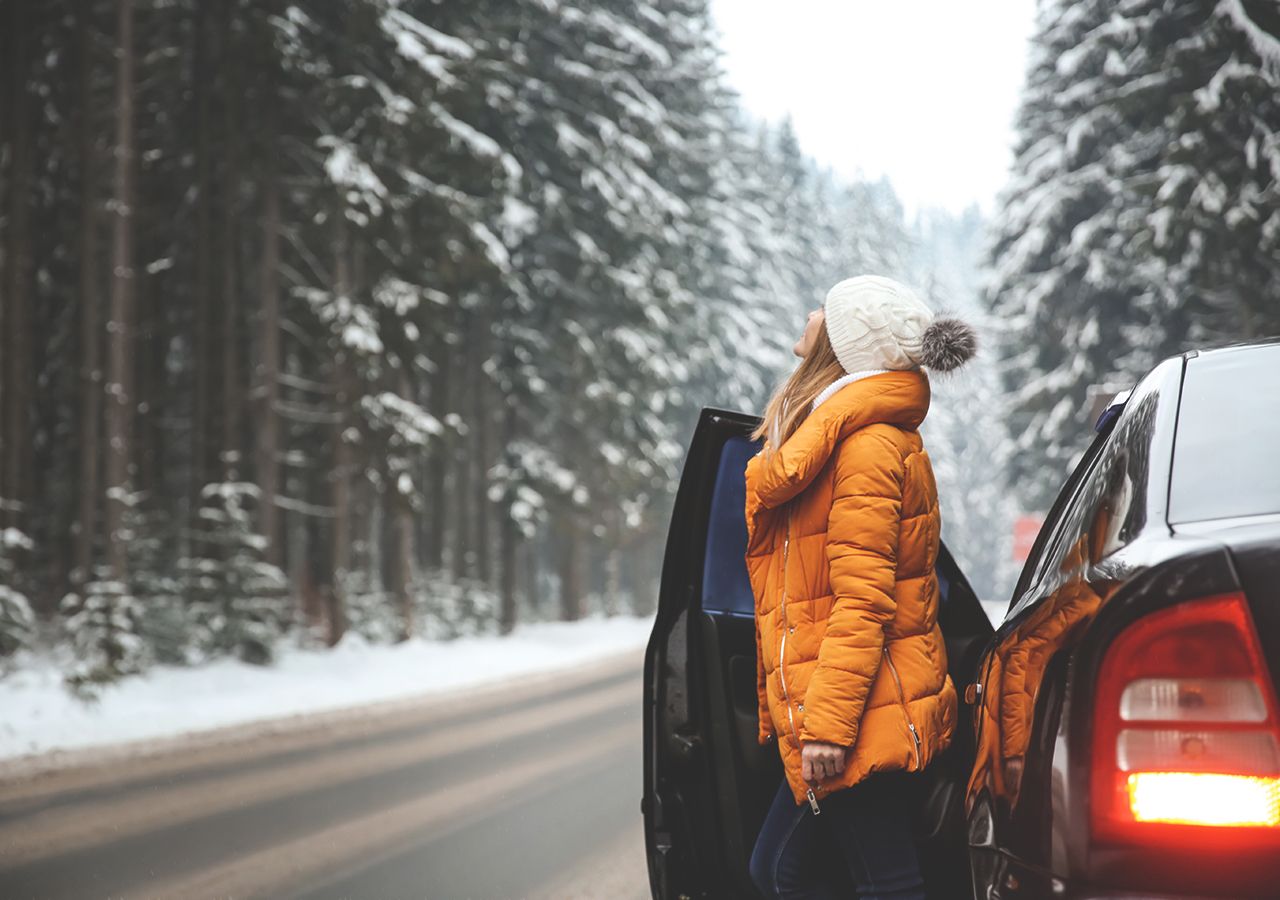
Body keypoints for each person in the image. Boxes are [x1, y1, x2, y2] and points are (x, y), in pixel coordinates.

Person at [743, 275, 976, 899]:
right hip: (860, 704)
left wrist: (828, 726)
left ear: (849, 344)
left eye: (831, 309)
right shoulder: (836, 439)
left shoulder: (867, 448)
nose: (813, 311)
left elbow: (864, 598)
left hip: (862, 710)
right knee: (815, 873)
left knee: (829, 876)